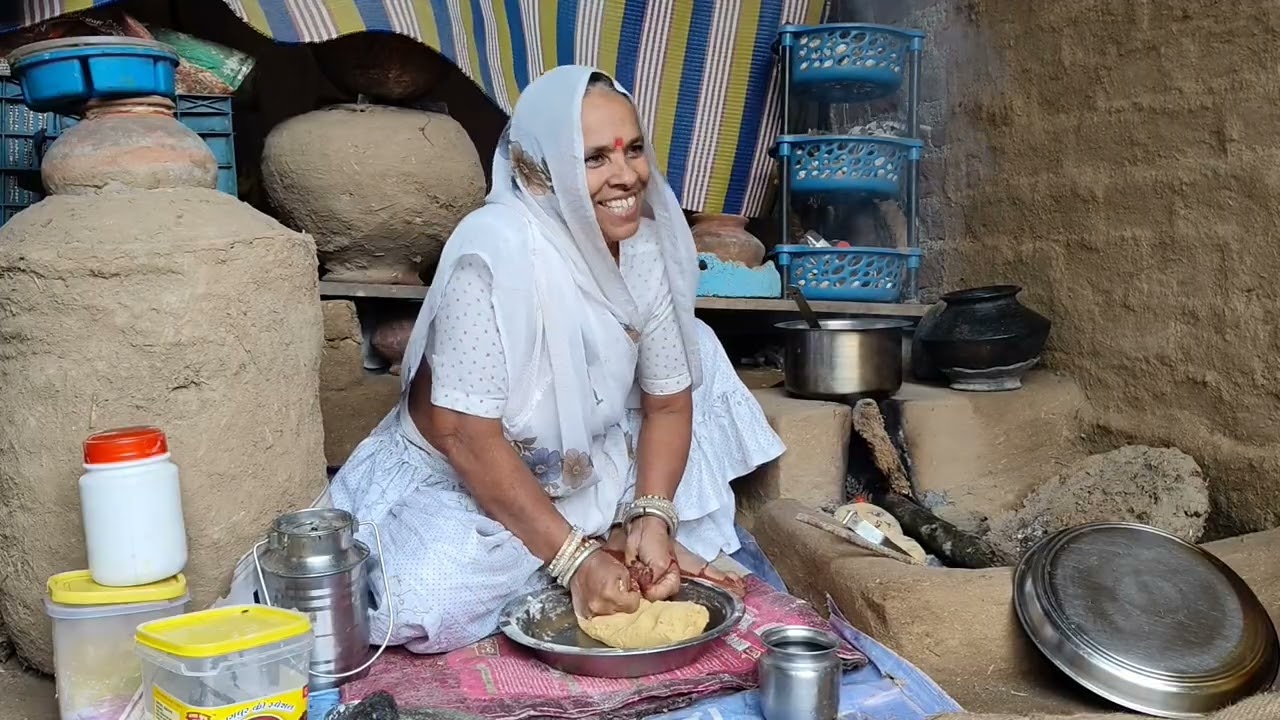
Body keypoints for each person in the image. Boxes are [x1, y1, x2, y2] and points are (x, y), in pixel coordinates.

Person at [330, 65, 785, 654]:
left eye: (634, 150)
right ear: (537, 172)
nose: (626, 177)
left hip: (580, 455)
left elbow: (669, 405)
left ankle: (616, 528)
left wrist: (653, 516)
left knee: (700, 355)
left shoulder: (644, 249)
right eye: (594, 158)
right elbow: (466, 439)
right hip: (467, 473)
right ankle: (587, 541)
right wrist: (574, 559)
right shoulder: (491, 253)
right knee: (419, 600)